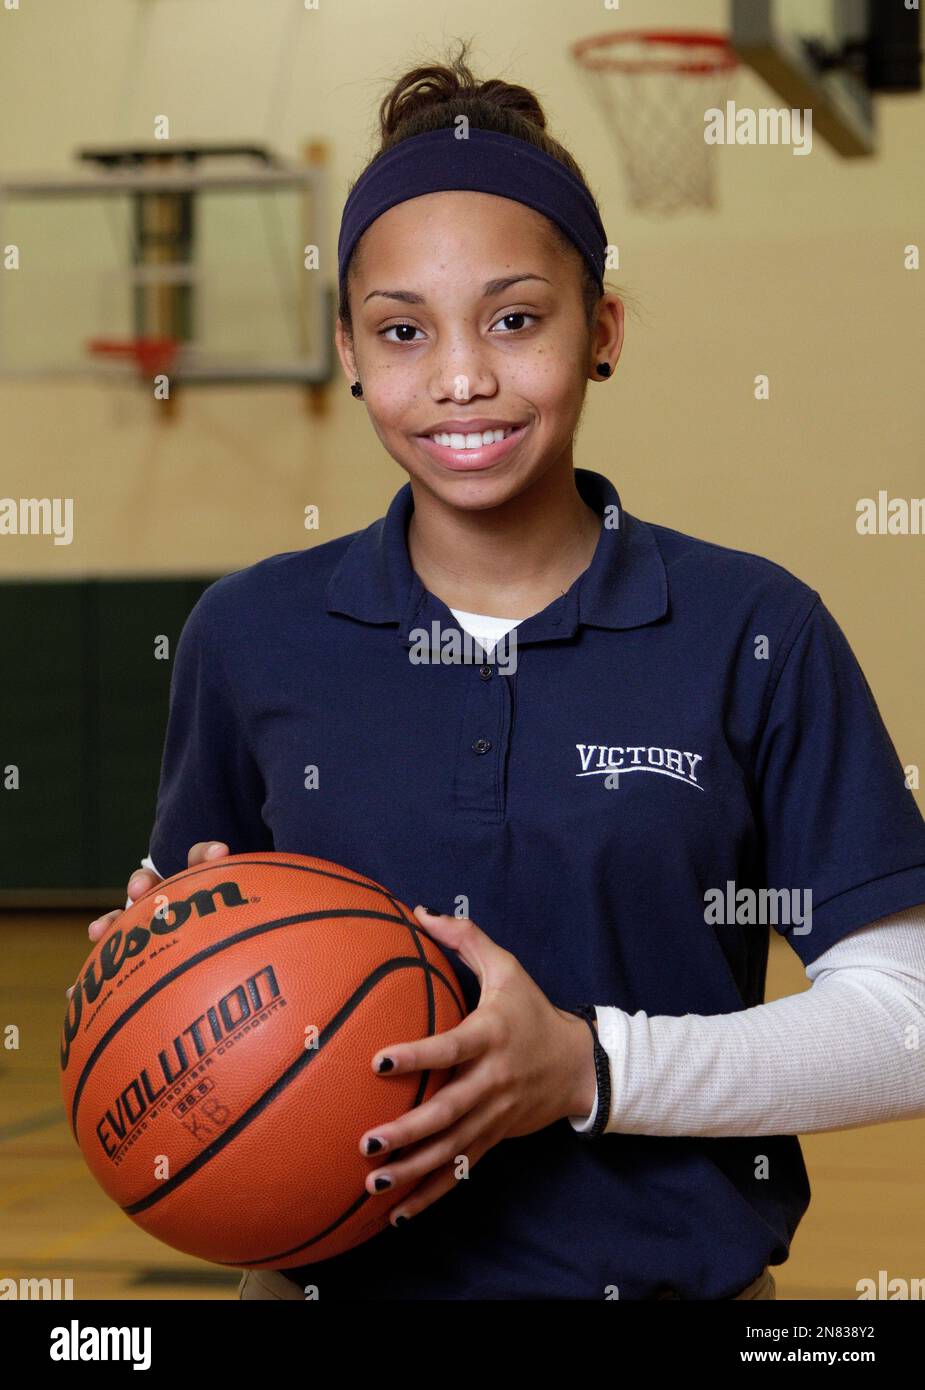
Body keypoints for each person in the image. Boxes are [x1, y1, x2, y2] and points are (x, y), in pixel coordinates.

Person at [82, 43, 925, 1301]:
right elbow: (192, 950)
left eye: (516, 317)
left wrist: (587, 1071)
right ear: (351, 350)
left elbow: (906, 1023)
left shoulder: (754, 626)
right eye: (403, 330)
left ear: (603, 330)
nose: (462, 375)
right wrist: (149, 960)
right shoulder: (249, 634)